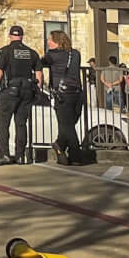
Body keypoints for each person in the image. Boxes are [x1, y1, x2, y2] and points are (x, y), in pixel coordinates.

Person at [0, 25, 43, 166]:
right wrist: (37, 90)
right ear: (22, 36)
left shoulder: (5, 52)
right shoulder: (32, 53)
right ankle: (20, 156)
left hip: (10, 91)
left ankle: (4, 155)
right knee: (21, 124)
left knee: (2, 124)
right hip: (27, 91)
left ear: (10, 36)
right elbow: (39, 74)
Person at [42, 30, 88, 165]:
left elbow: (39, 63)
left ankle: (75, 155)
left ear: (57, 41)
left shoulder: (51, 56)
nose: (48, 42)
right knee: (68, 124)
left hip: (62, 94)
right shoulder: (75, 54)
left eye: (50, 40)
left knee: (67, 126)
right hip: (77, 93)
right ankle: (60, 146)